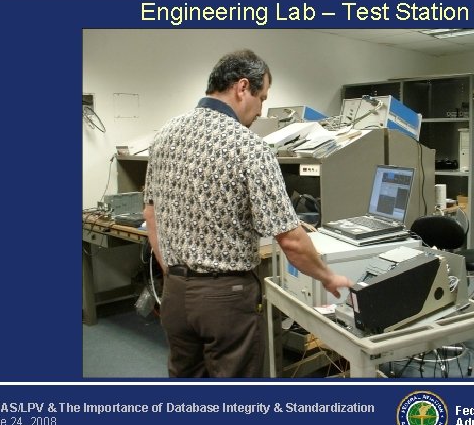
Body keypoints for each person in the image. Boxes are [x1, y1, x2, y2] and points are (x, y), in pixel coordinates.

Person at [143, 49, 352, 378]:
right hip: (225, 301)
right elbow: (291, 241)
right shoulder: (249, 146)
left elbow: (151, 212)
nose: (261, 110)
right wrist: (328, 277)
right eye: (262, 97)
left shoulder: (166, 134)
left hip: (175, 294)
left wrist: (171, 270)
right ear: (242, 87)